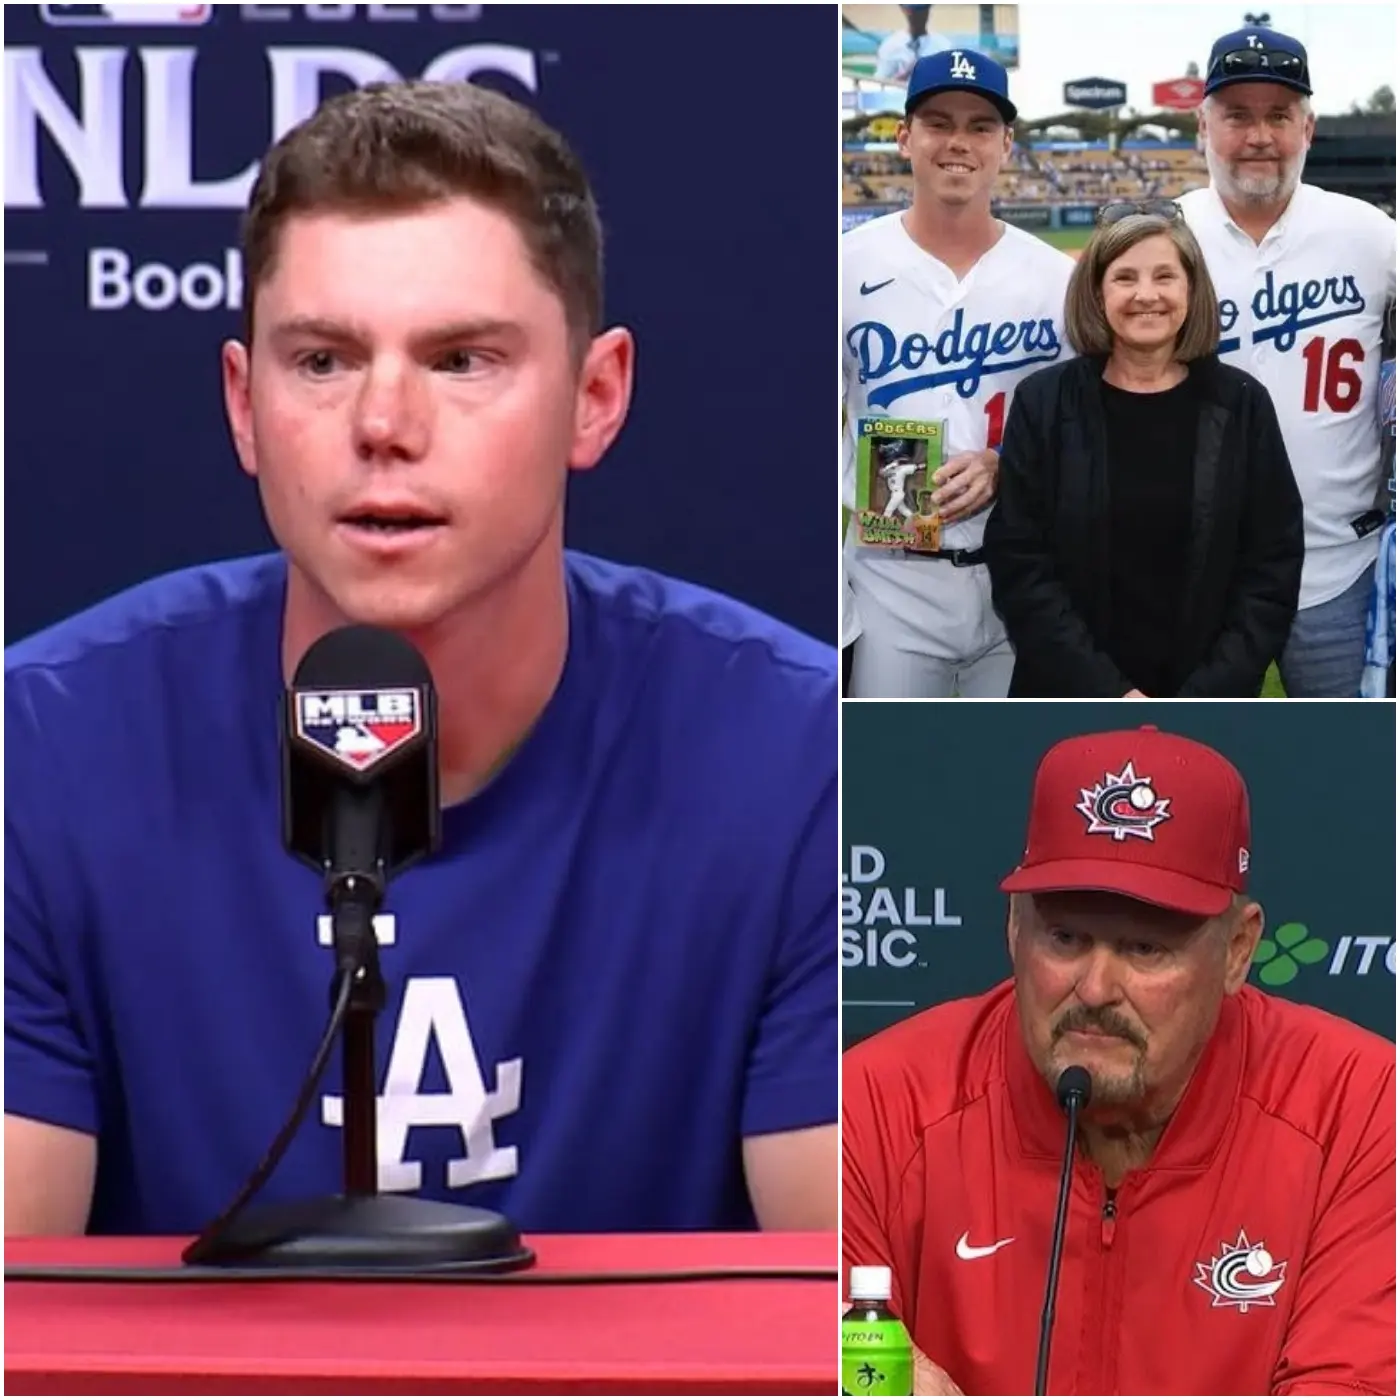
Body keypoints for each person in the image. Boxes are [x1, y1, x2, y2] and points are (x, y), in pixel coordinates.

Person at [4, 82, 837, 1238]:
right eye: (323, 360)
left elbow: (844, 1308)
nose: (384, 423)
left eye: (459, 359)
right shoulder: (38, 749)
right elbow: (20, 1309)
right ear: (244, 405)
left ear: (594, 397)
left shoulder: (802, 760)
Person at [844, 724, 1396, 1397]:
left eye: (1145, 949)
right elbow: (801, 1341)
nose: (1097, 989)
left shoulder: (1361, 1108)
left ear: (1237, 951)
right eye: (1066, 937)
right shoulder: (878, 1102)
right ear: (1014, 928)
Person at [983, 204, 1304, 696]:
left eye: (1164, 276)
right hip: (1070, 693)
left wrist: (1209, 691)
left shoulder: (1242, 403)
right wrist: (1109, 692)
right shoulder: (1044, 401)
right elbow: (1021, 562)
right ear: (1097, 291)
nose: (1146, 295)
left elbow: (1272, 563)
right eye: (1125, 277)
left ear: (1191, 289)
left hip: (1208, 702)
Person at [842, 50, 1075, 698]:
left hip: (1020, 577)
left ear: (1005, 145)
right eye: (939, 122)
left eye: (979, 127)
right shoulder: (845, 266)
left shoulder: (1055, 279)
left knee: (998, 785)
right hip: (893, 580)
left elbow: (1081, 426)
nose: (958, 143)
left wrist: (1006, 464)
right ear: (904, 137)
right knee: (889, 782)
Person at [1180, 27, 1397, 697]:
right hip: (1193, 573)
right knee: (1193, 765)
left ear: (1308, 126)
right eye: (1237, 115)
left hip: (1342, 567)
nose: (1259, 135)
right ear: (1203, 125)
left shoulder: (1369, 234)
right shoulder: (1162, 236)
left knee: (1345, 768)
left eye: (1279, 115)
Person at [872, 5, 956, 83]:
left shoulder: (943, 46)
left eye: (923, 10)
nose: (919, 16)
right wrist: (905, 75)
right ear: (904, 10)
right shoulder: (890, 46)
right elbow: (880, 84)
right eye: (913, 11)